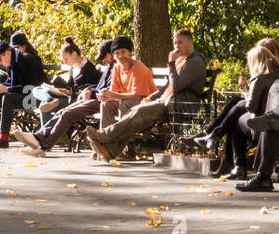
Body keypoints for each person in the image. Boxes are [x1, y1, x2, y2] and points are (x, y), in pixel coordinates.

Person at [85, 28, 206, 162]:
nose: (177, 46)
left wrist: (171, 63)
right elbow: (167, 86)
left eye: (180, 43)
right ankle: (111, 150)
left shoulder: (195, 61)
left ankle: (103, 137)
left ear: (190, 43)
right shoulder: (181, 61)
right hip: (165, 100)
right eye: (175, 43)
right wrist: (150, 97)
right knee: (136, 111)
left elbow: (176, 86)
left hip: (178, 104)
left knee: (138, 112)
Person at [12, 41, 115, 156]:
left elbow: (108, 90)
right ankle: (38, 137)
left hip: (100, 101)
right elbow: (99, 87)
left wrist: (89, 93)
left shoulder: (111, 68)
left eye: (105, 56)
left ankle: (43, 146)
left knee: (67, 113)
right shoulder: (110, 68)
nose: (103, 60)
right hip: (89, 98)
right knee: (62, 111)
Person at [219, 42, 279, 180]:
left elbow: (253, 107)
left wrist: (247, 93)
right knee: (237, 105)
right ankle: (214, 133)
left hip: (268, 119)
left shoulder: (261, 76)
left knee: (236, 118)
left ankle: (236, 163)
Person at [0, 37, 48, 148]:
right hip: (21, 94)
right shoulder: (12, 60)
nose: (1, 63)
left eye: (0, 60)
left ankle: (4, 138)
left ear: (7, 53)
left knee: (8, 97)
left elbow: (31, 86)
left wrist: (7, 89)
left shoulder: (26, 60)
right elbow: (12, 82)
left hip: (33, 97)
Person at [29, 40, 100, 126]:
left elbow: (88, 90)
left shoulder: (88, 68)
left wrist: (70, 92)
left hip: (76, 100)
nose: (64, 62)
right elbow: (70, 86)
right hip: (66, 97)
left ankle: (47, 136)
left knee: (44, 108)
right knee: (37, 89)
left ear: (74, 54)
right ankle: (48, 100)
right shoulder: (74, 67)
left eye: (66, 58)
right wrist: (60, 89)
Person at [96, 36, 156, 129]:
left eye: (123, 52)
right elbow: (113, 93)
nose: (120, 56)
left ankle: (122, 140)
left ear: (130, 53)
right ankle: (105, 138)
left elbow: (136, 96)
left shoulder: (138, 67)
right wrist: (105, 96)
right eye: (117, 53)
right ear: (114, 56)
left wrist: (112, 95)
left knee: (125, 103)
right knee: (106, 104)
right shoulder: (116, 68)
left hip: (147, 106)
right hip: (131, 106)